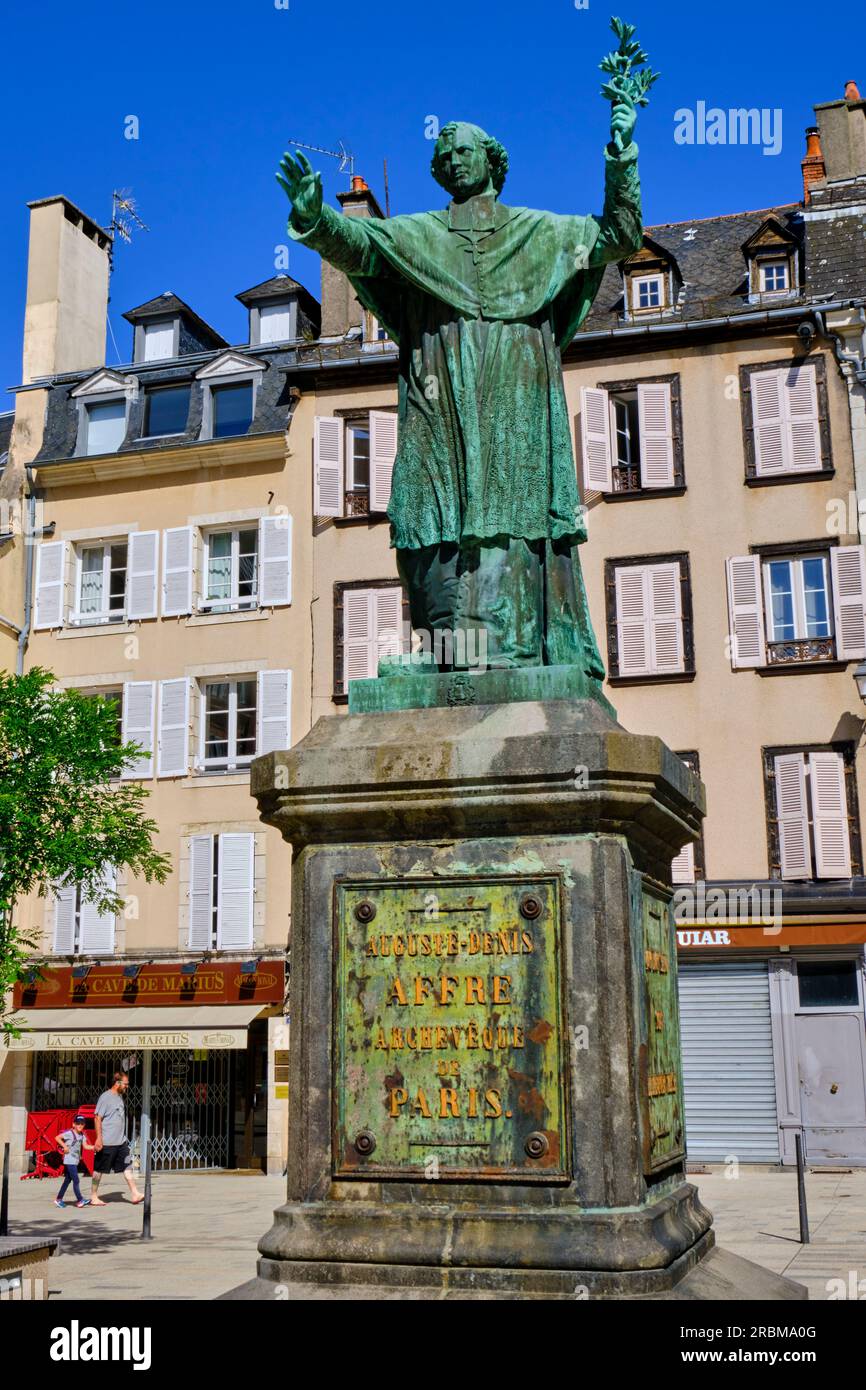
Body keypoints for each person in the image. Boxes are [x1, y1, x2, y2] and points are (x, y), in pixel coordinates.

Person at [277, 95, 643, 674]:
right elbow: (362, 248)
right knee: (427, 510)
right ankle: (447, 651)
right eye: (443, 154)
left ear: (491, 161)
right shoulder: (420, 235)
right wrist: (319, 220)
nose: (453, 159)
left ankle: (512, 651)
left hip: (515, 393)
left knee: (511, 514)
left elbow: (619, 236)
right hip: (437, 393)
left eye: (464, 149)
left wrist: (621, 152)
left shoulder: (539, 231)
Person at [90, 1070, 144, 1205]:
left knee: (127, 1166)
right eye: (125, 1084)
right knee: (99, 1170)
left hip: (120, 1142)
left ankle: (135, 1193)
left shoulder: (119, 1097)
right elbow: (97, 1117)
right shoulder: (105, 1097)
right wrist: (99, 1138)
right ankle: (93, 1196)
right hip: (107, 1142)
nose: (127, 1086)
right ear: (117, 1083)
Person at [54, 1114, 94, 1209]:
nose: (80, 1125)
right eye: (78, 1123)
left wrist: (94, 1147)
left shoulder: (82, 1135)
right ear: (74, 1124)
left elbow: (85, 1146)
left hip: (75, 1161)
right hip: (69, 1160)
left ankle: (58, 1199)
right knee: (76, 1180)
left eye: (82, 1124)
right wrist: (64, 1146)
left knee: (67, 1180)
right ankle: (80, 1200)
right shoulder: (69, 1133)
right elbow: (57, 1138)